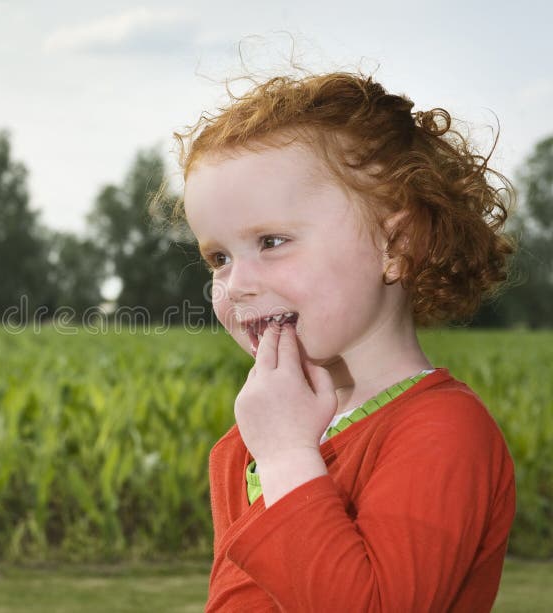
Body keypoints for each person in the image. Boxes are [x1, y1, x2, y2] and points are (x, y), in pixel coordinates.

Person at [171, 71, 516, 611]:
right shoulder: (247, 443)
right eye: (219, 258)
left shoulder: (442, 432)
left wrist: (286, 454)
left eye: (272, 241)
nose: (237, 284)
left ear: (395, 244)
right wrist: (276, 447)